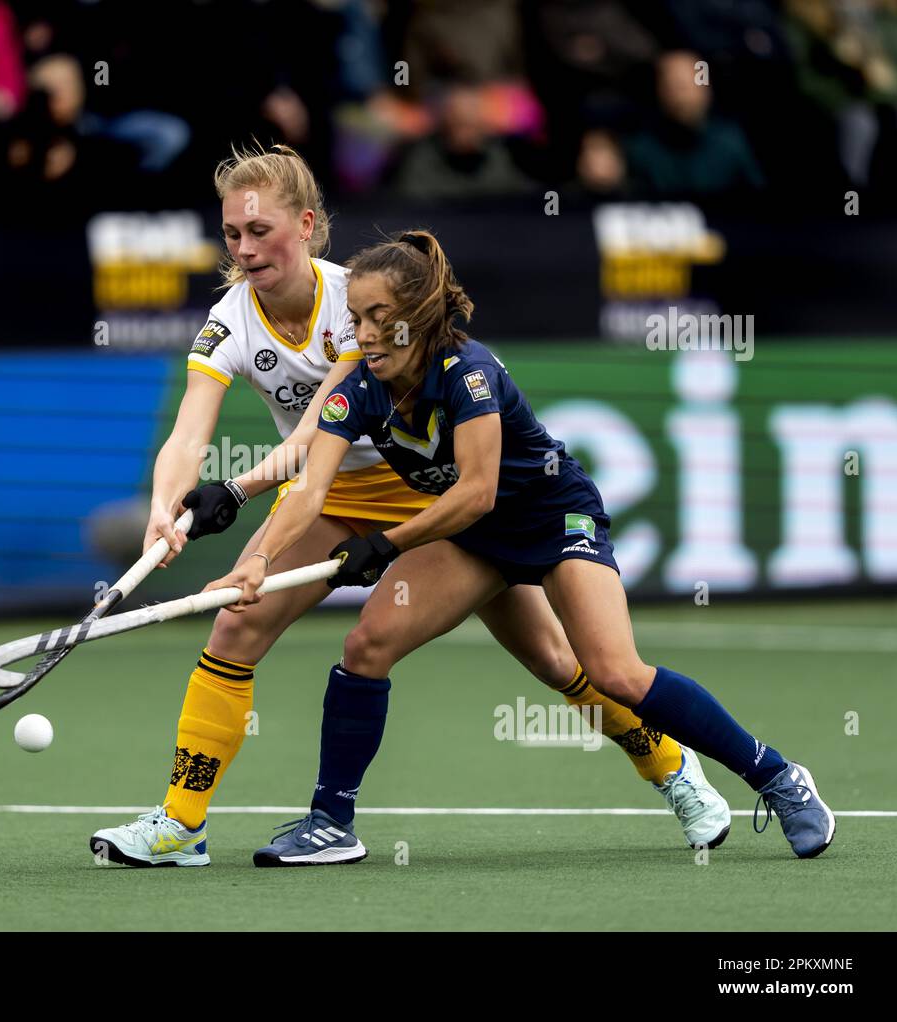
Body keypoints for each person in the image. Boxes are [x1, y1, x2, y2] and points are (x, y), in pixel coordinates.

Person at [89, 145, 728, 869]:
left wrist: (234, 492)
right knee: (234, 631)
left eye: (259, 230)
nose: (244, 248)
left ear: (304, 226)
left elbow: (310, 436)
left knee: (555, 659)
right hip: (326, 503)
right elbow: (189, 431)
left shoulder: (359, 302)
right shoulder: (230, 318)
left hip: (429, 505)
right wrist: (165, 507)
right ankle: (181, 824)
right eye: (233, 233)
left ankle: (669, 766)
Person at [208, 230, 835, 861]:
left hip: (553, 521)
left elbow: (479, 492)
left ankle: (777, 777)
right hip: (471, 540)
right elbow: (311, 490)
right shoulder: (358, 391)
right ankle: (330, 824)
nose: (364, 335)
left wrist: (386, 543)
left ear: (419, 318)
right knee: (367, 645)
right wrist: (257, 560)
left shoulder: (469, 374)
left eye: (380, 319)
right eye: (356, 319)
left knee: (613, 671)